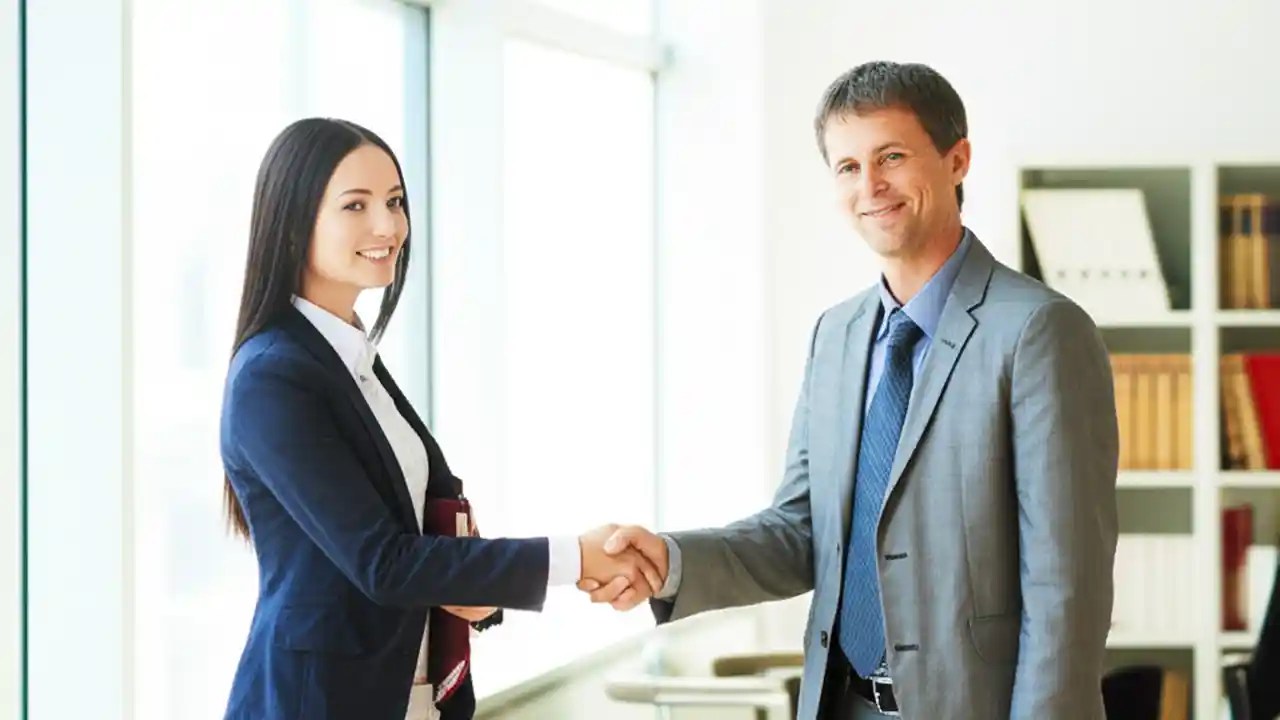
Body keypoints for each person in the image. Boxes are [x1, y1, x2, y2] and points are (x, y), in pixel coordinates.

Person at [582, 61, 1119, 719]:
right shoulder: (835, 336)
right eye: (847, 167)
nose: (871, 186)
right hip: (839, 703)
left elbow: (1066, 589)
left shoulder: (1040, 331)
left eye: (892, 156)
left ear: (957, 160)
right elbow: (802, 532)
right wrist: (671, 558)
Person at [219, 117, 662, 720]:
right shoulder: (273, 376)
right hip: (319, 701)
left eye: (395, 202)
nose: (389, 226)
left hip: (415, 697)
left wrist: (479, 592)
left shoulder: (350, 359)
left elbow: (421, 529)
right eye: (356, 205)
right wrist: (576, 557)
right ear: (295, 222)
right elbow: (383, 562)